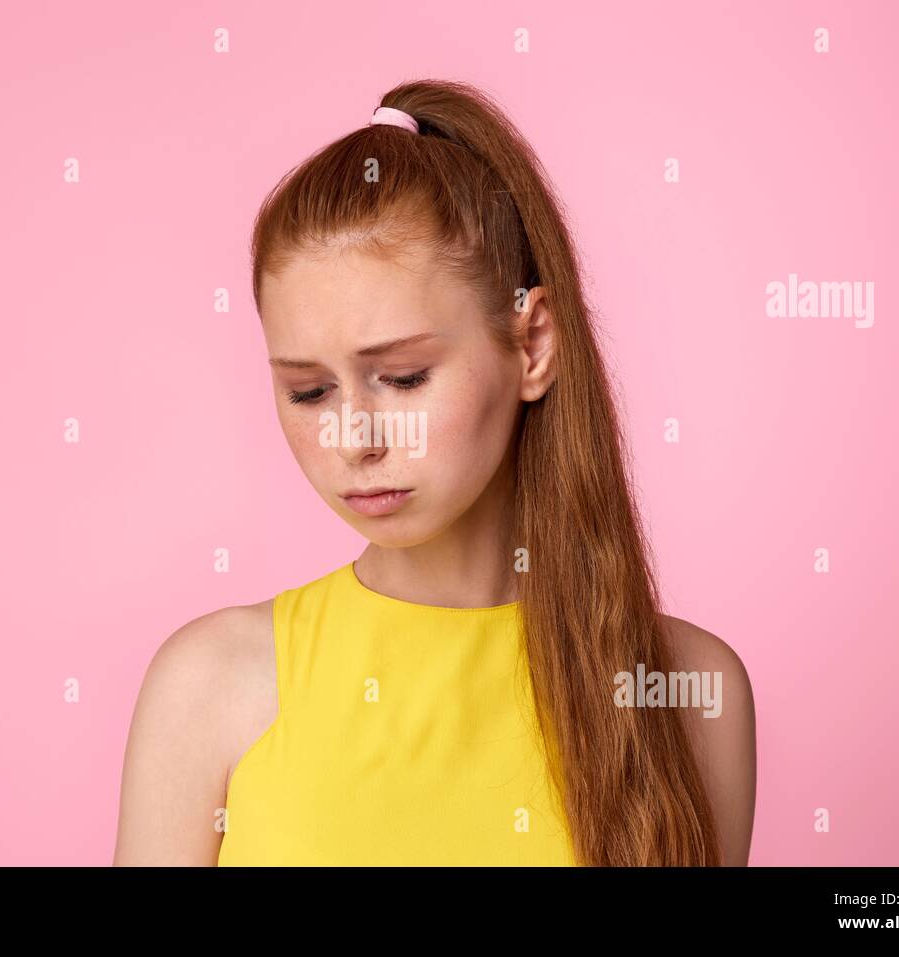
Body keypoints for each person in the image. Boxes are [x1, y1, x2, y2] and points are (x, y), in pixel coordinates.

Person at [114, 79, 756, 866]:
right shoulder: (212, 687)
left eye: (406, 377)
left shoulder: (689, 693)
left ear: (533, 346)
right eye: (308, 391)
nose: (353, 437)